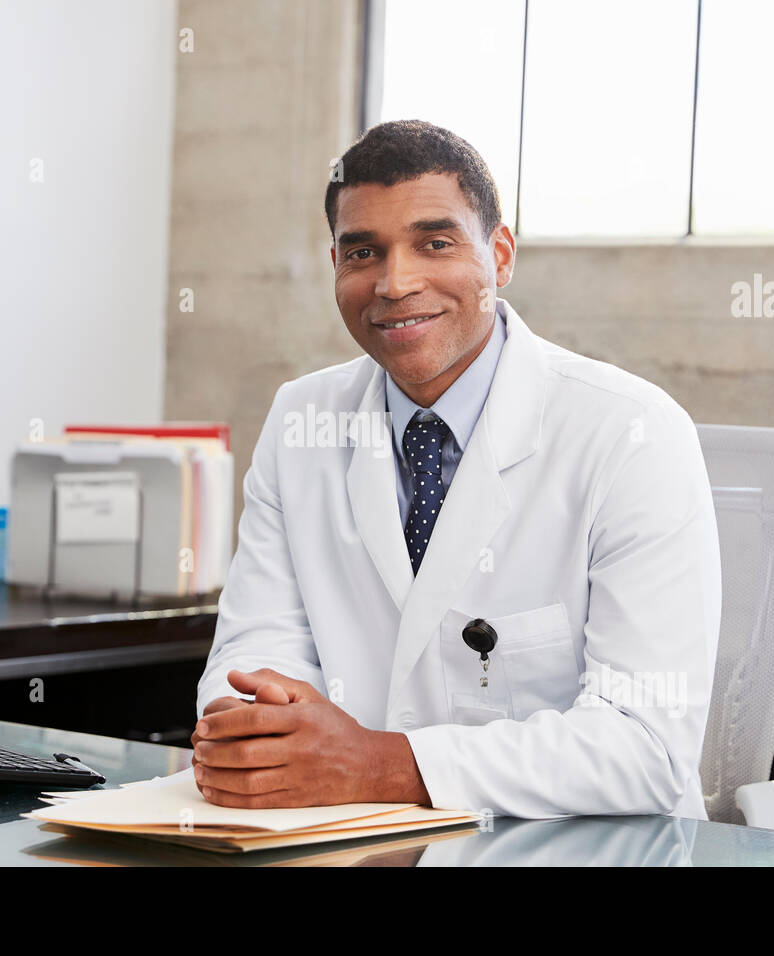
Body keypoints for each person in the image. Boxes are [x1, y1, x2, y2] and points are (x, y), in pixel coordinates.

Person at [190, 119, 721, 819]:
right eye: (363, 253)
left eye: (434, 243)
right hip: (356, 844)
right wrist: (260, 730)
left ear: (499, 256)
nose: (394, 282)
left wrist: (379, 765)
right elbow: (257, 653)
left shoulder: (632, 433)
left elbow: (644, 748)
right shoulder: (301, 421)